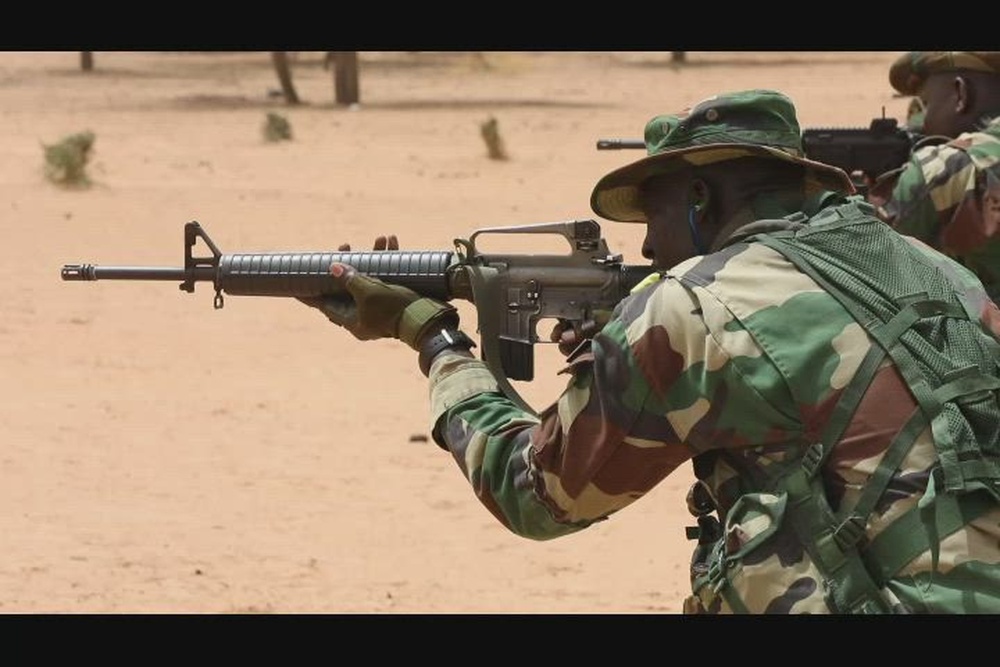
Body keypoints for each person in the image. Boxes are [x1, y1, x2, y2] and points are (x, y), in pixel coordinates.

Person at [301, 90, 1000, 614]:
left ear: (700, 198)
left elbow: (533, 494)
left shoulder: (689, 307)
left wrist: (432, 338)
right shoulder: (940, 272)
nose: (643, 248)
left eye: (654, 215)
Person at [869, 51, 1000, 301]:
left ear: (960, 94)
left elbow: (874, 260)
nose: (924, 121)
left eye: (927, 103)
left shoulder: (945, 168)